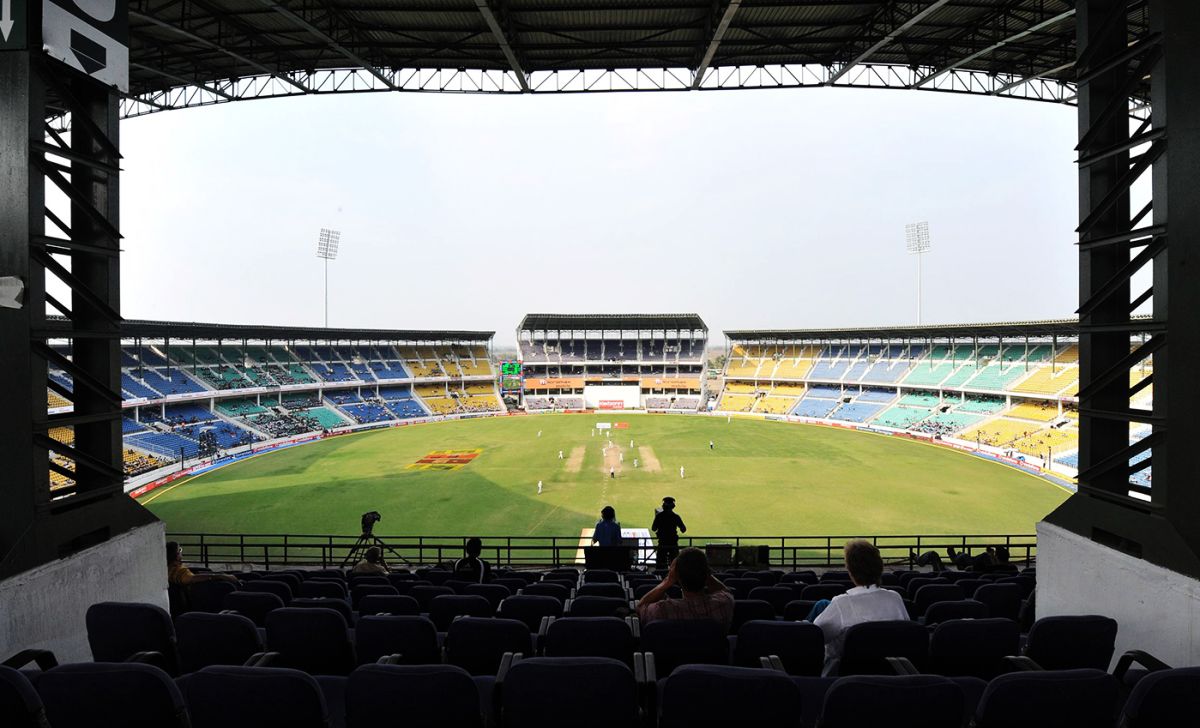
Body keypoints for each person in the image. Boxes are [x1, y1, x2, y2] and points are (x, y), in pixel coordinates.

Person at [810, 540, 909, 664]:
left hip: (844, 672)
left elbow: (814, 637)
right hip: (889, 668)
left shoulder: (841, 604)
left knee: (821, 607)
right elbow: (906, 631)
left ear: (850, 571)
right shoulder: (895, 598)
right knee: (823, 604)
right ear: (880, 568)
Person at [636, 547, 733, 631]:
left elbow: (640, 608)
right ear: (707, 573)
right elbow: (725, 592)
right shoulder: (724, 604)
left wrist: (667, 581)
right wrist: (705, 571)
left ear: (677, 576)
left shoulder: (662, 610)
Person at [167, 541, 237, 587]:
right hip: (199, 592)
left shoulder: (168, 568)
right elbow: (192, 578)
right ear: (176, 556)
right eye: (180, 550)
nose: (181, 552)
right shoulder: (180, 572)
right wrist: (220, 576)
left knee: (234, 573)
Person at [652, 496, 686, 567]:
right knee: (675, 563)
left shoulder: (659, 516)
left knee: (660, 563)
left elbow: (653, 528)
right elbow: (683, 530)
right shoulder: (676, 517)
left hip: (662, 542)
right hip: (673, 543)